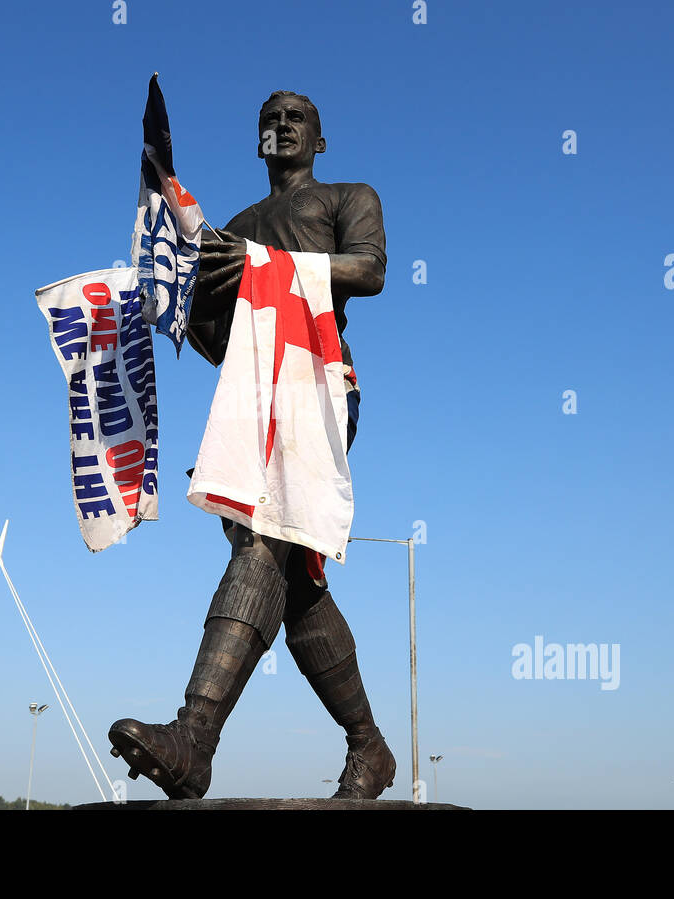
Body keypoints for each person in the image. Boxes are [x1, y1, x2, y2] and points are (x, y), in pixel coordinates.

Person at [108, 90, 396, 800]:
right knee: (291, 579)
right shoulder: (234, 229)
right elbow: (212, 334)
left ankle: (194, 739)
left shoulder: (347, 197)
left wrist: (263, 264)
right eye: (270, 117)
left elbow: (371, 269)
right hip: (251, 396)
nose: (282, 124)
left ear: (319, 141)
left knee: (264, 543)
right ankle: (371, 747)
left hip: (317, 381)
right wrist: (163, 293)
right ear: (256, 139)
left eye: (297, 117)